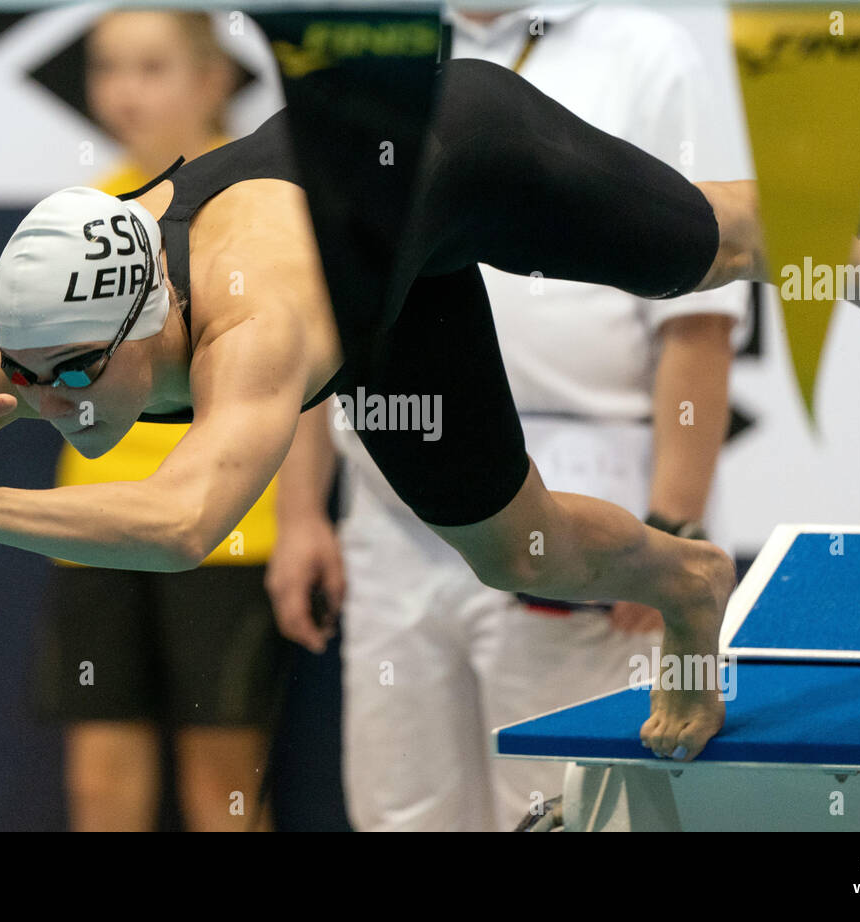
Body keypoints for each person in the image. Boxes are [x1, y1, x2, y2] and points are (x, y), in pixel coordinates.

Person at [0, 56, 860, 764]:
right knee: (521, 552)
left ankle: (851, 255)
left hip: (456, 149)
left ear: (150, 318)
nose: (52, 407)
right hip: (374, 266)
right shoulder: (26, 336)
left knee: (691, 257)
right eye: (32, 375)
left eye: (73, 381)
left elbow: (180, 526)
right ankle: (689, 584)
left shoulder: (259, 323)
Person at [265, 2, 748, 831]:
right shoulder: (363, 44)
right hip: (387, 508)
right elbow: (309, 291)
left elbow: (697, 319)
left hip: (578, 500)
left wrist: (671, 517)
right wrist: (302, 510)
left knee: (562, 805)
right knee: (399, 810)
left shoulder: (650, 54)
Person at [31, 9, 286, 833]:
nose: (124, 91)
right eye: (108, 68)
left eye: (151, 67)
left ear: (216, 78)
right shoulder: (81, 212)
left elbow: (308, 379)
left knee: (224, 794)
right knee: (101, 791)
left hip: (232, 527)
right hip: (95, 523)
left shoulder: (264, 204)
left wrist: (312, 517)